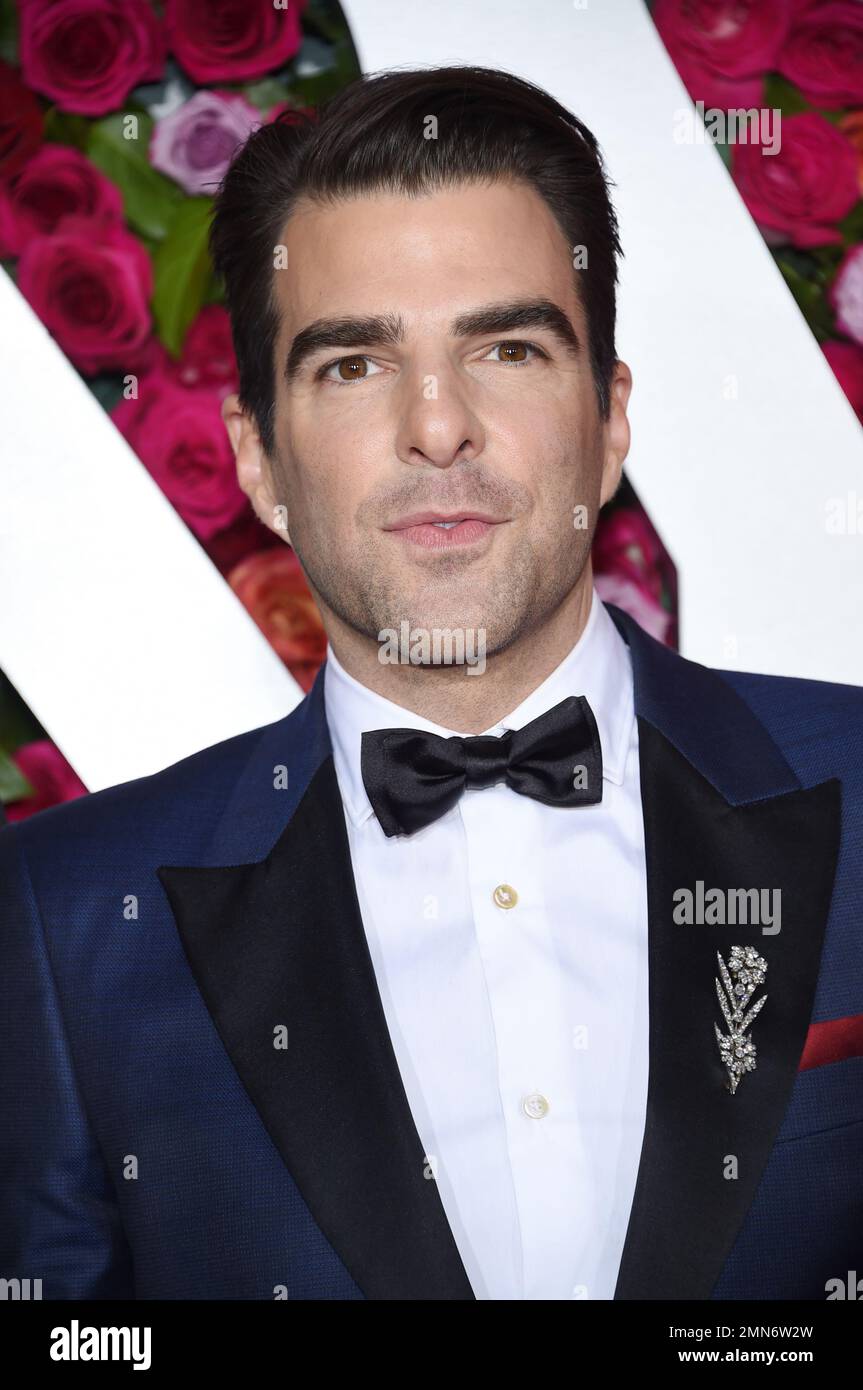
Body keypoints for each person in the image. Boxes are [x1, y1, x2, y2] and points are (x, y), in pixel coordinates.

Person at [1, 66, 860, 1302]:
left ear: (609, 420)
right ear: (258, 459)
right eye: (353, 365)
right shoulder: (60, 919)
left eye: (506, 348)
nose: (438, 427)